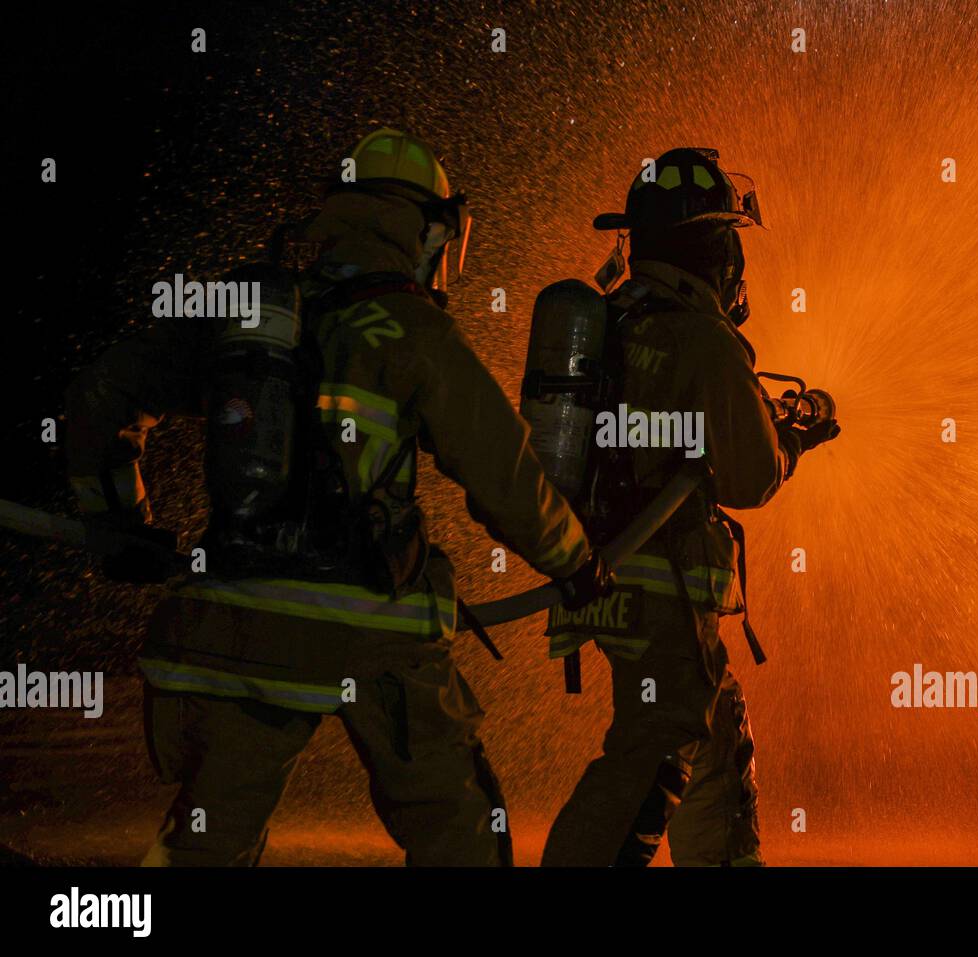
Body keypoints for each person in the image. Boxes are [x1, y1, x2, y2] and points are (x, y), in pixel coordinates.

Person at [64, 127, 607, 866]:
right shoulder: (412, 328)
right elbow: (502, 471)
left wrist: (117, 521)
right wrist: (574, 561)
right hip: (375, 630)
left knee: (204, 843)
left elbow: (103, 391)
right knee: (460, 835)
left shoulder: (247, 312)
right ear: (431, 227)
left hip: (234, 623)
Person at [541, 148, 838, 867]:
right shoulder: (702, 335)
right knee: (657, 750)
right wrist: (792, 439)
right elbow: (749, 476)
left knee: (711, 733)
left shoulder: (612, 321)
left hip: (601, 579)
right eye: (730, 240)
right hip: (658, 583)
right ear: (712, 245)